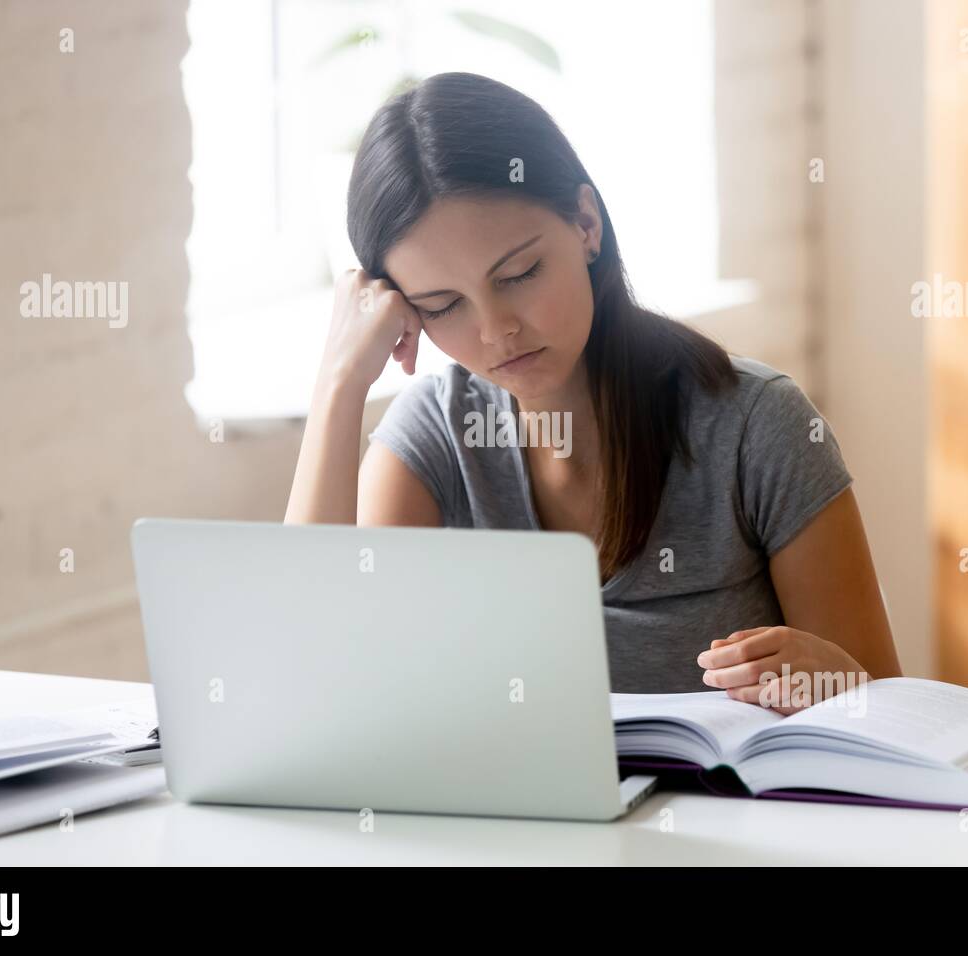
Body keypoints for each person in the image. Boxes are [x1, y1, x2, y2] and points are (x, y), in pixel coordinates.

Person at [284, 72, 901, 708]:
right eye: (442, 306)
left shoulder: (757, 428)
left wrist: (843, 686)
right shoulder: (436, 441)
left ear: (585, 224)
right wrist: (339, 385)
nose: (496, 331)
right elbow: (310, 684)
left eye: (520, 273)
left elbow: (905, 725)